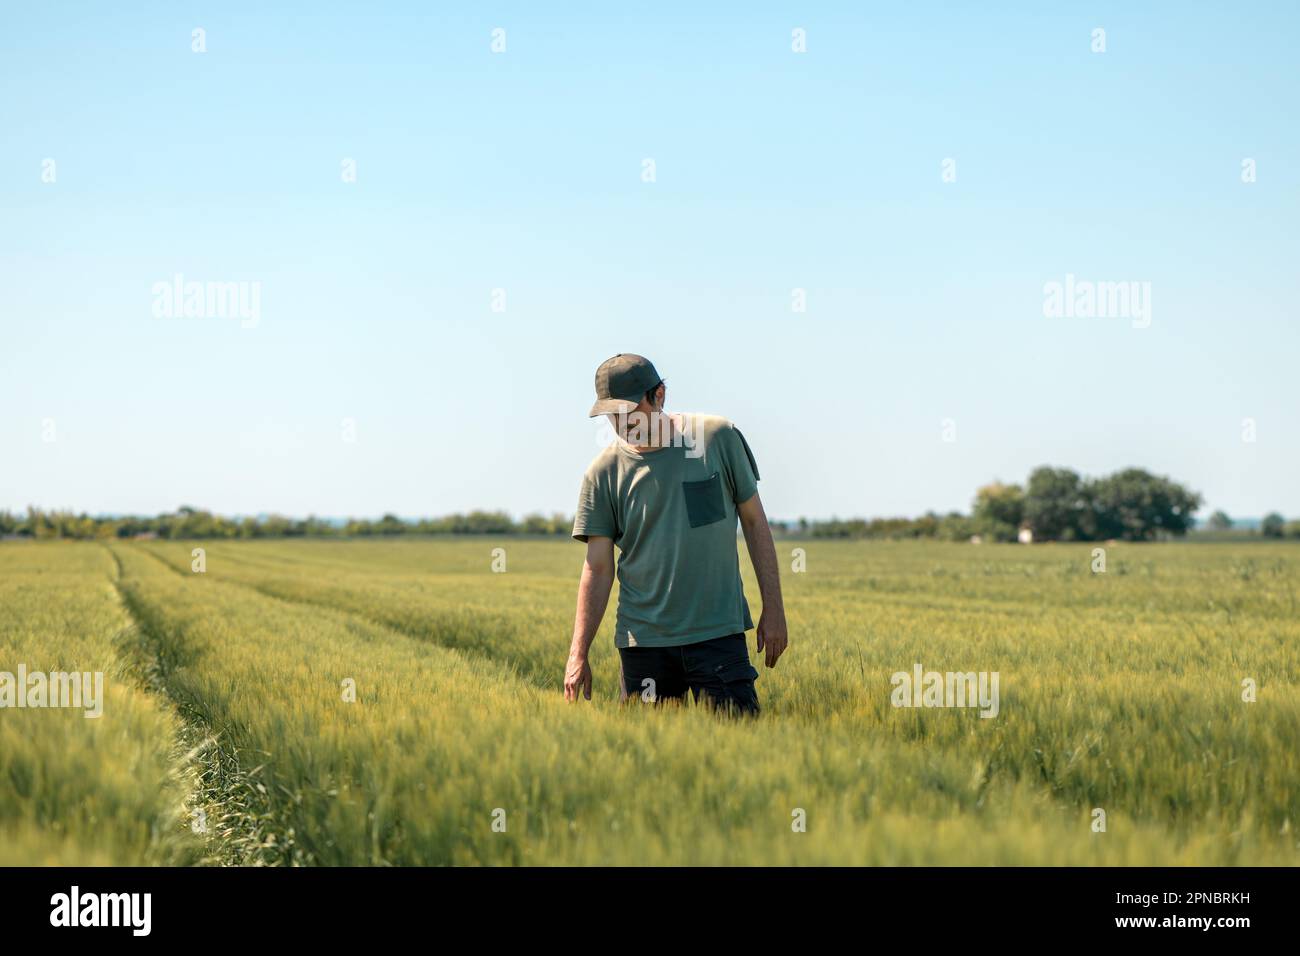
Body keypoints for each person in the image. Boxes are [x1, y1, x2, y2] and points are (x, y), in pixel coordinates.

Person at [564, 353, 788, 714]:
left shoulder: (717, 439)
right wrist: (578, 653)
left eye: (628, 411)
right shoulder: (602, 473)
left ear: (660, 395)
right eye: (612, 415)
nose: (621, 424)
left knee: (739, 754)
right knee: (649, 763)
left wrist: (774, 608)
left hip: (717, 639)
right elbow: (597, 568)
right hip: (643, 647)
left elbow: (755, 523)